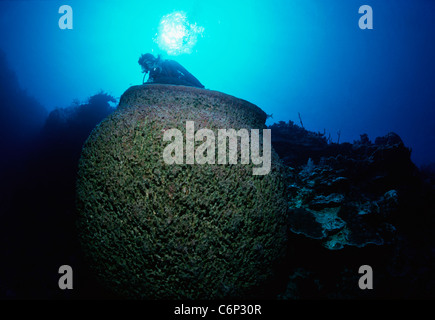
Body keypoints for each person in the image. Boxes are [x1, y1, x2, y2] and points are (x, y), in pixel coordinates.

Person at [138, 53, 205, 88]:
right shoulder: (152, 76)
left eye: (149, 63)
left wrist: (201, 87)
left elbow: (187, 74)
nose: (150, 67)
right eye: (146, 66)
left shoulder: (170, 63)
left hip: (186, 85)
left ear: (154, 59)